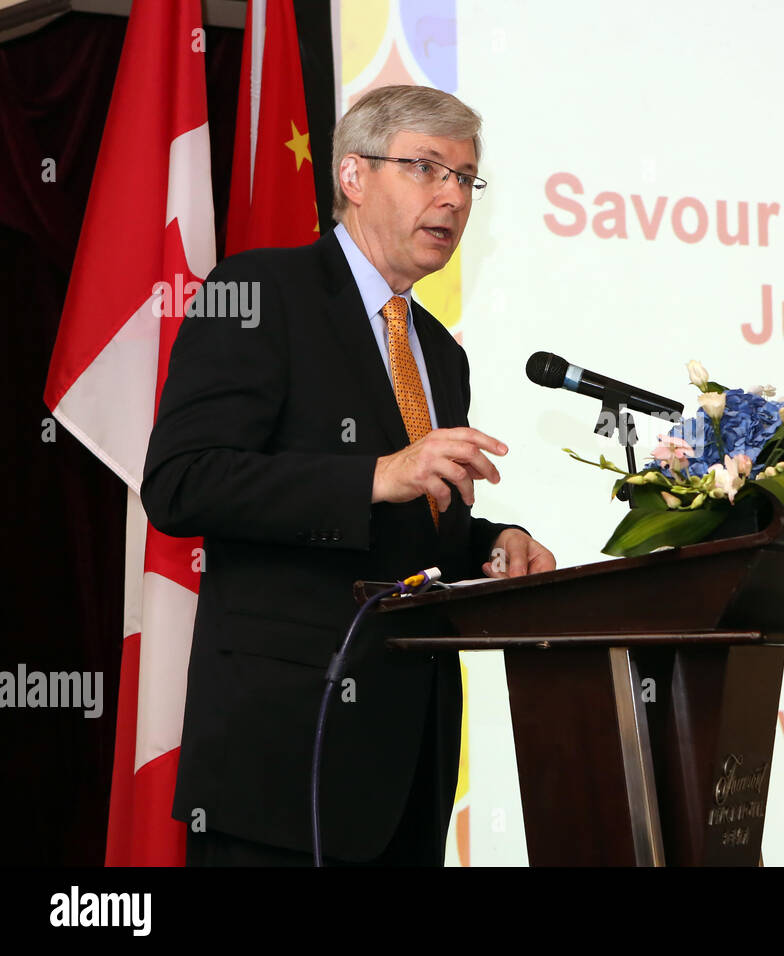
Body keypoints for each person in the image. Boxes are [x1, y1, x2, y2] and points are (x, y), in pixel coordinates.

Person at [142, 85, 554, 865]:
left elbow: (410, 529)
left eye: (466, 179)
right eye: (427, 168)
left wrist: (496, 540)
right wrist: (372, 474)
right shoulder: (260, 292)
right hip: (286, 754)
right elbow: (182, 482)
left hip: (411, 758)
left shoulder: (438, 350)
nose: (452, 198)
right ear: (353, 176)